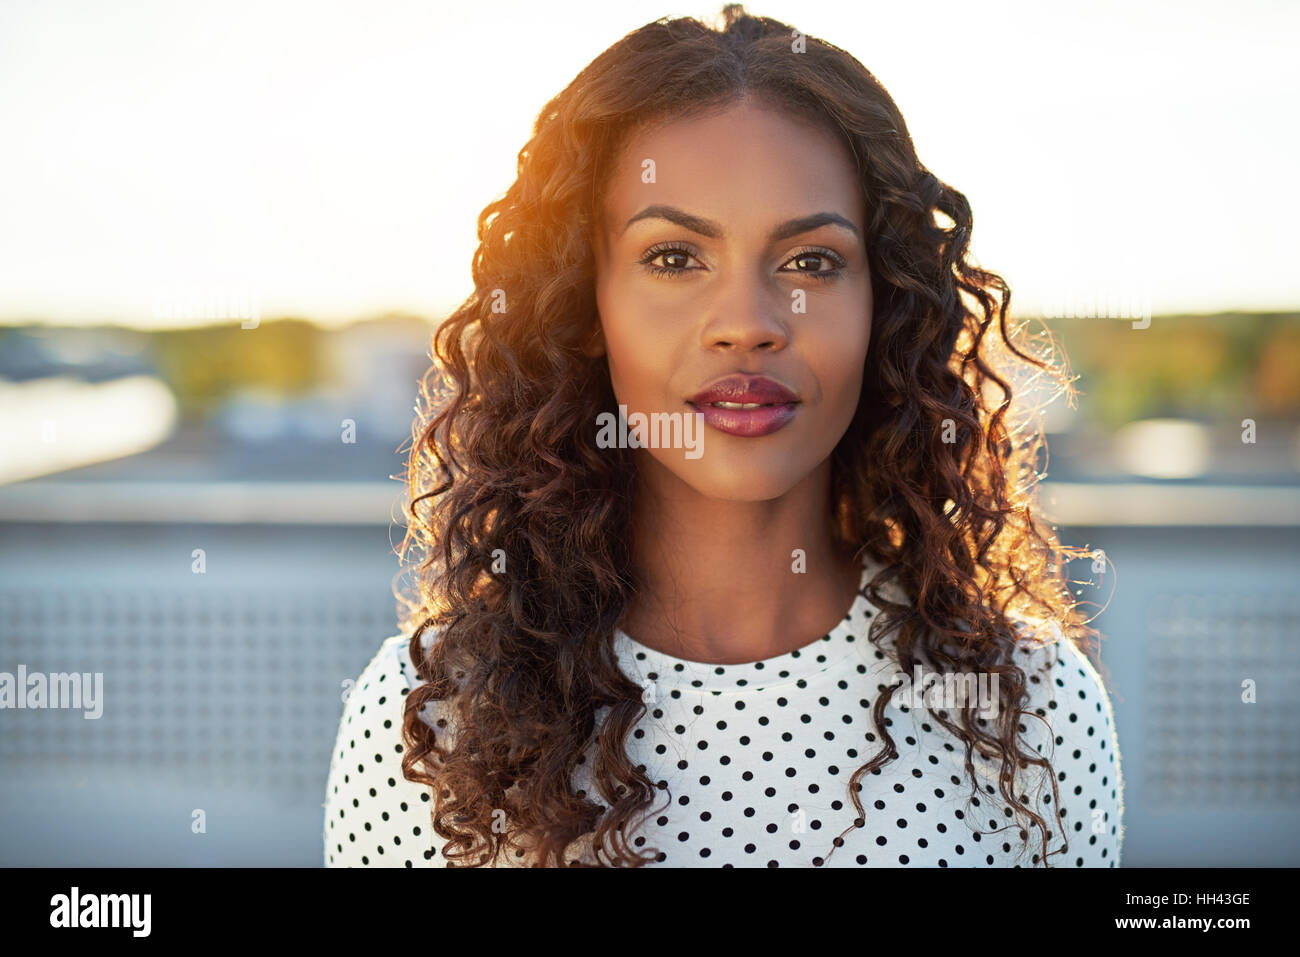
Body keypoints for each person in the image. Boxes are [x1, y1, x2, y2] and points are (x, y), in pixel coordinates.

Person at [324, 3, 1124, 868]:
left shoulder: (1032, 702)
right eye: (674, 257)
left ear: (882, 304)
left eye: (812, 261)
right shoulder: (432, 716)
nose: (747, 323)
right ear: (584, 305)